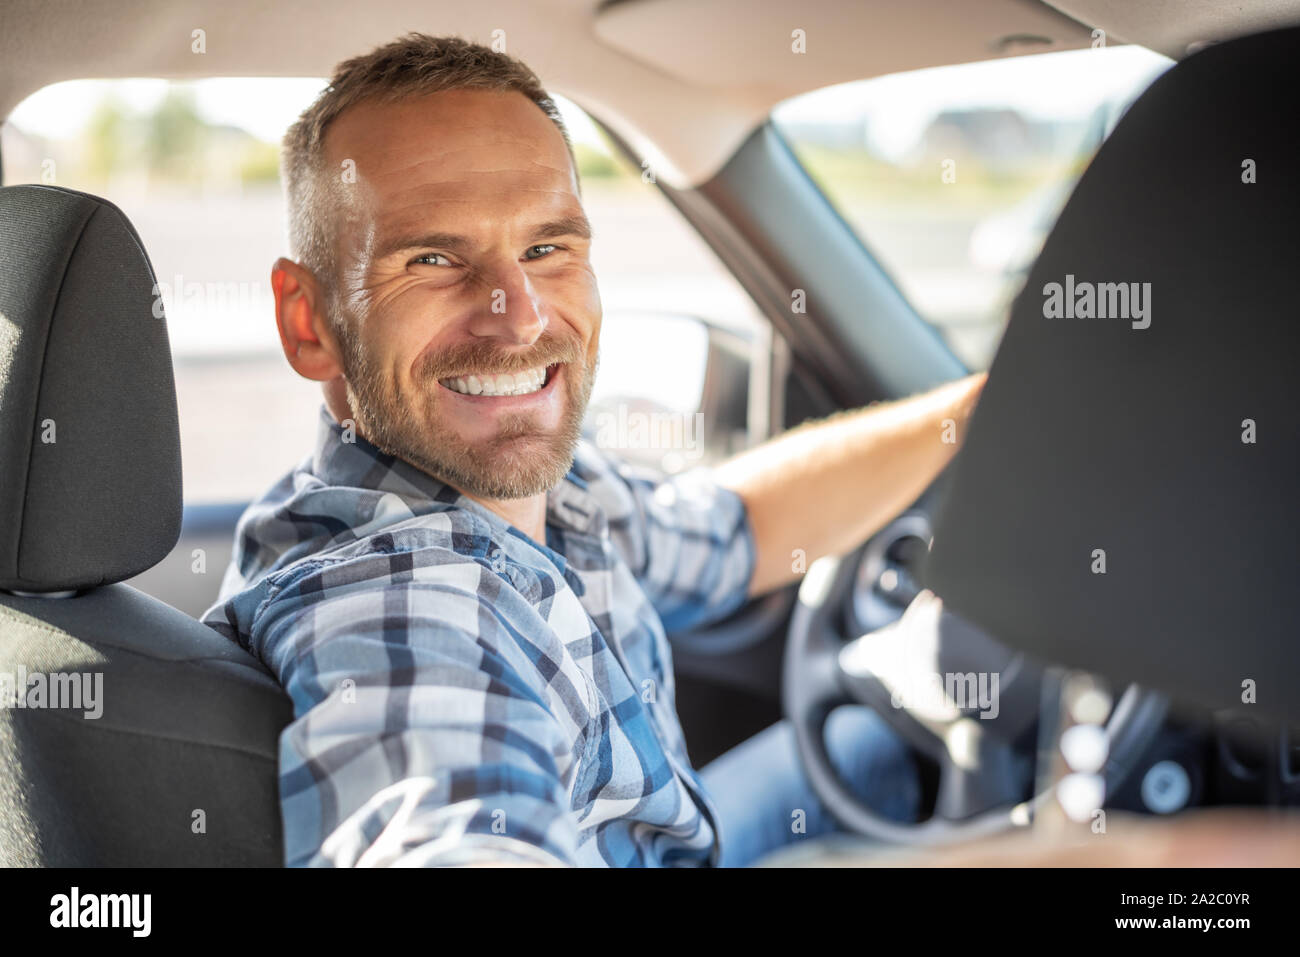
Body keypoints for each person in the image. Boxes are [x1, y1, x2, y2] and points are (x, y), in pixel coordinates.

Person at [201, 33, 986, 867]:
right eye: (432, 258)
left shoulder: (546, 491)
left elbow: (736, 528)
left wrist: (983, 409)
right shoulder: (392, 590)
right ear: (308, 322)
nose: (523, 316)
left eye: (546, 249)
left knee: (873, 744)